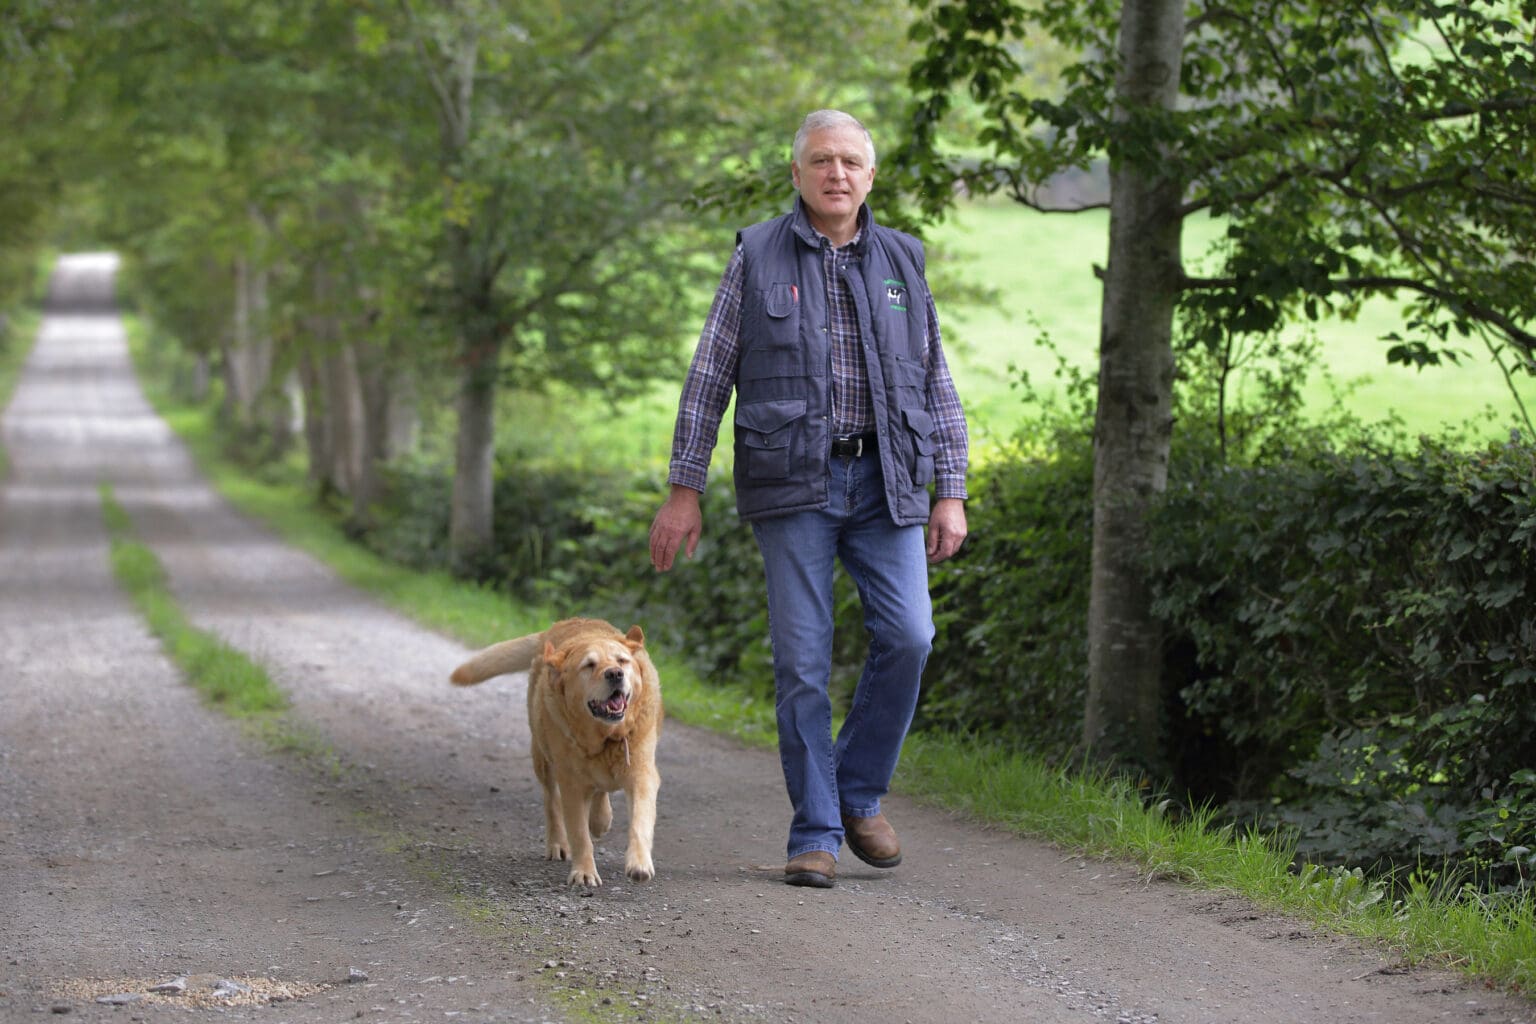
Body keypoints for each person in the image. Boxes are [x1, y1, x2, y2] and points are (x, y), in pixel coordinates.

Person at [648, 109, 969, 889]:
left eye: (851, 162)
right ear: (797, 174)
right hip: (793, 483)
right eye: (822, 161)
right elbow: (708, 376)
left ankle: (857, 792)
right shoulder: (757, 255)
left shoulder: (902, 259)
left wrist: (950, 489)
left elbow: (936, 380)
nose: (837, 174)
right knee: (801, 663)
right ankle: (816, 830)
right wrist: (682, 490)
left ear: (870, 175)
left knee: (912, 636)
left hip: (886, 482)